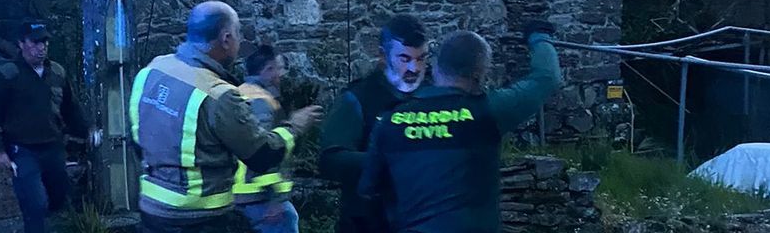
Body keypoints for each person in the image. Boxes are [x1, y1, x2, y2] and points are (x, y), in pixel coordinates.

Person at [129, 1, 323, 233]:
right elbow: (262, 155)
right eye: (239, 34)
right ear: (226, 39)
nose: (240, 43)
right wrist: (294, 126)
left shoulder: (152, 70)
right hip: (200, 218)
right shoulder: (219, 95)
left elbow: (137, 136)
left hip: (152, 209)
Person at [358, 23, 563, 233]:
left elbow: (368, 192)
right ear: (480, 73)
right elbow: (547, 78)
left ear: (435, 67)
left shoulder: (391, 120)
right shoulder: (487, 112)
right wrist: (539, 37)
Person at [0, 21, 93, 233]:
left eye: (44, 42)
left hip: (53, 147)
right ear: (21, 43)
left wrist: (87, 132)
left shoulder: (57, 72)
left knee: (60, 195)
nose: (41, 47)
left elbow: (71, 108)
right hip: (22, 149)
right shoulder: (7, 75)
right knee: (34, 203)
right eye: (35, 42)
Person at [319, 14, 429, 233]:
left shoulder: (433, 95)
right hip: (368, 222)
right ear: (383, 56)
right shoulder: (358, 98)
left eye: (421, 58)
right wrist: (385, 161)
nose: (415, 69)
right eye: (405, 59)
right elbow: (330, 160)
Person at [233, 45, 298, 233]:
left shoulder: (238, 93)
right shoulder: (262, 101)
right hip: (258, 199)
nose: (282, 74)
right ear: (268, 70)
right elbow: (263, 149)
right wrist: (275, 199)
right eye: (278, 68)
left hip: (236, 195)